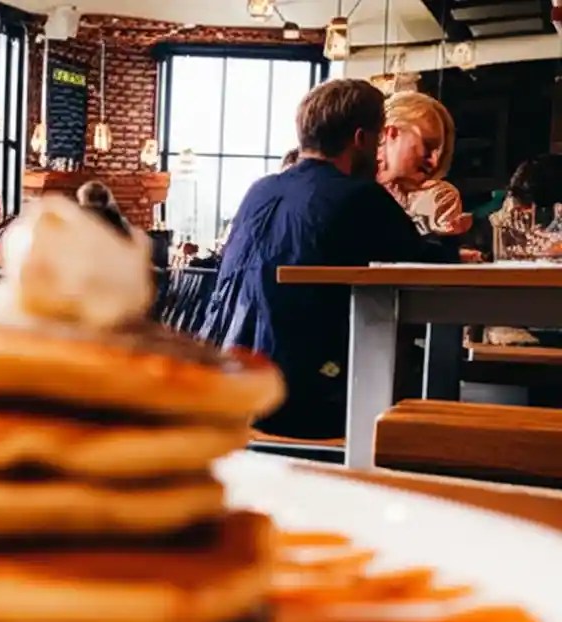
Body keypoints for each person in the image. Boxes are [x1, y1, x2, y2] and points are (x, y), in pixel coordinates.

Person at [198, 79, 461, 440]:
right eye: (377, 136)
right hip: (302, 403)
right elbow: (424, 262)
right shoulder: (358, 197)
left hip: (228, 386)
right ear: (360, 139)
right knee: (415, 377)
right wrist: (452, 244)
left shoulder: (260, 190)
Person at [377, 91, 473, 239]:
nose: (434, 162)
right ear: (391, 133)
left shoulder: (438, 197)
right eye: (428, 146)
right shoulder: (349, 185)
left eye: (441, 152)